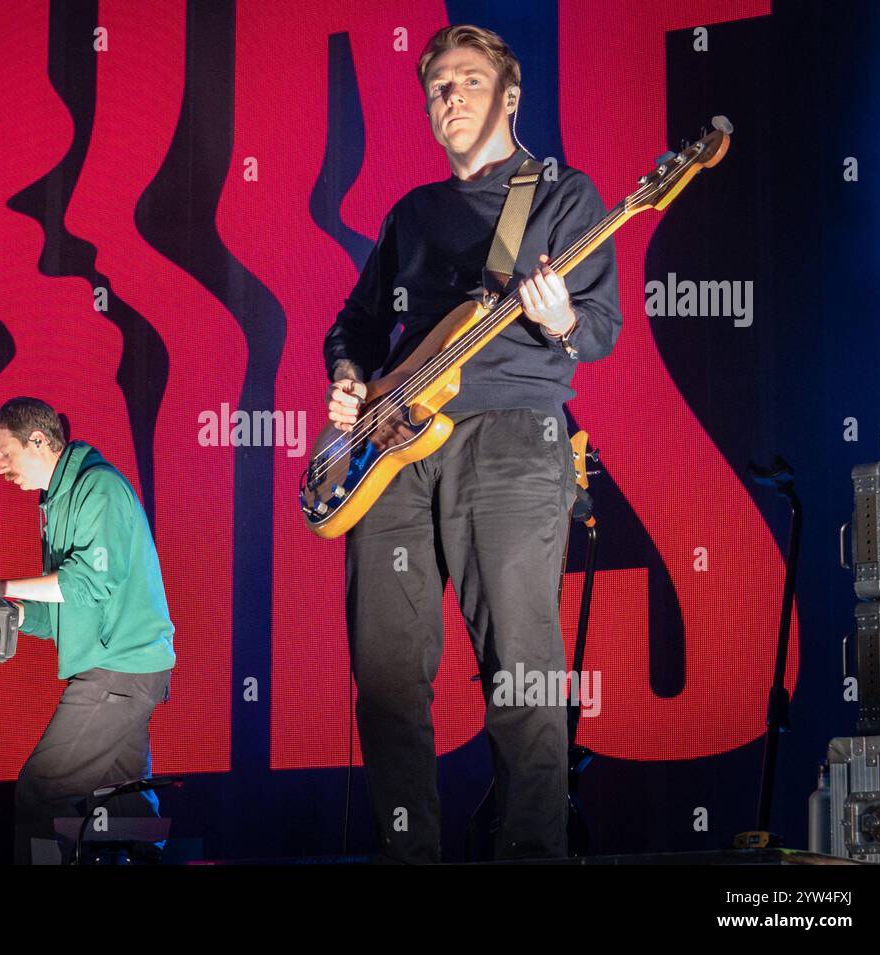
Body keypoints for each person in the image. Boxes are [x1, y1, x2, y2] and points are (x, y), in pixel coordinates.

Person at [323, 24, 622, 863]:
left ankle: (532, 852)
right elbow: (355, 323)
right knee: (386, 678)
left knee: (523, 674)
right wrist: (350, 377)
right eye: (437, 86)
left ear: (510, 95)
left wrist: (560, 315)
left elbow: (597, 327)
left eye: (467, 80)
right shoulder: (412, 213)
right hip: (397, 448)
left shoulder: (563, 196)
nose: (448, 96)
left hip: (512, 442)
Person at [0, 397, 176, 864]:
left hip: (118, 670)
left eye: (4, 453)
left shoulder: (99, 487)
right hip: (120, 670)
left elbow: (90, 582)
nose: (0, 469)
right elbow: (59, 613)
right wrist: (2, 611)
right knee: (124, 804)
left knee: (42, 789)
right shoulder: (56, 500)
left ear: (37, 440)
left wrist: (1, 585)